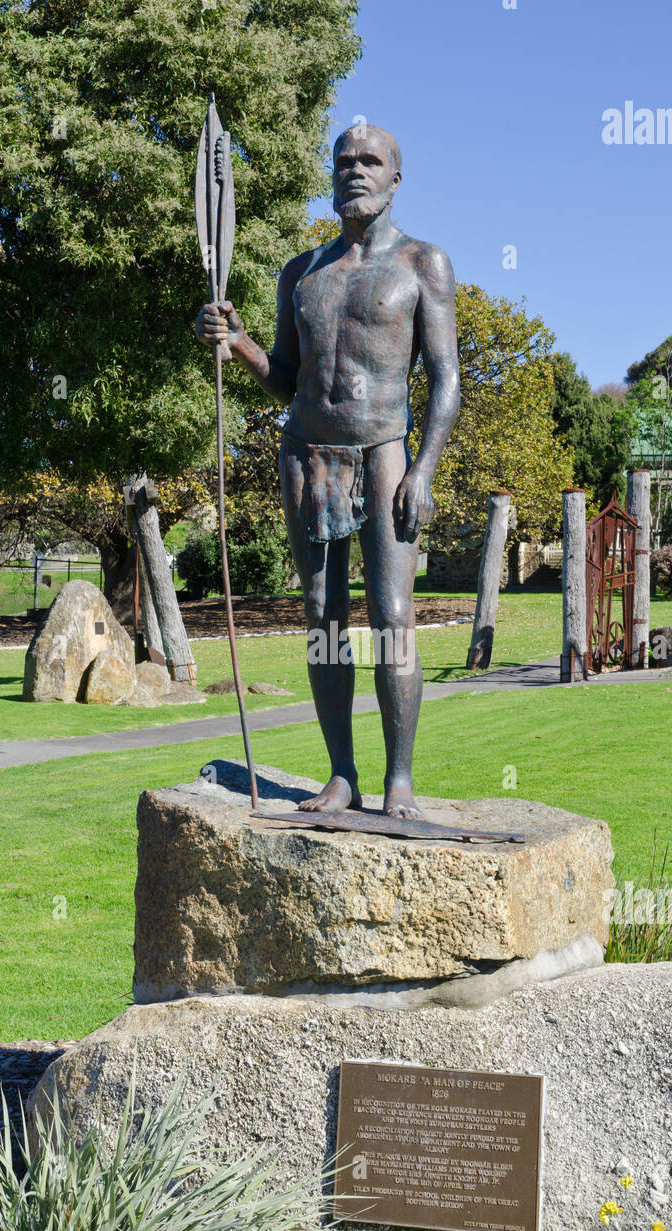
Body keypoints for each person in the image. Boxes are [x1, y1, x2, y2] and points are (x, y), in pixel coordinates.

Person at [195, 123, 459, 817]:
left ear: (394, 179)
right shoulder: (302, 273)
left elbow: (446, 378)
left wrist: (423, 469)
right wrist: (237, 340)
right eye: (343, 162)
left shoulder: (421, 264)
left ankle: (397, 778)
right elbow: (286, 381)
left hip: (382, 453)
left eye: (370, 162)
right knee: (322, 614)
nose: (355, 172)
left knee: (393, 615)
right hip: (306, 454)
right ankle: (342, 774)